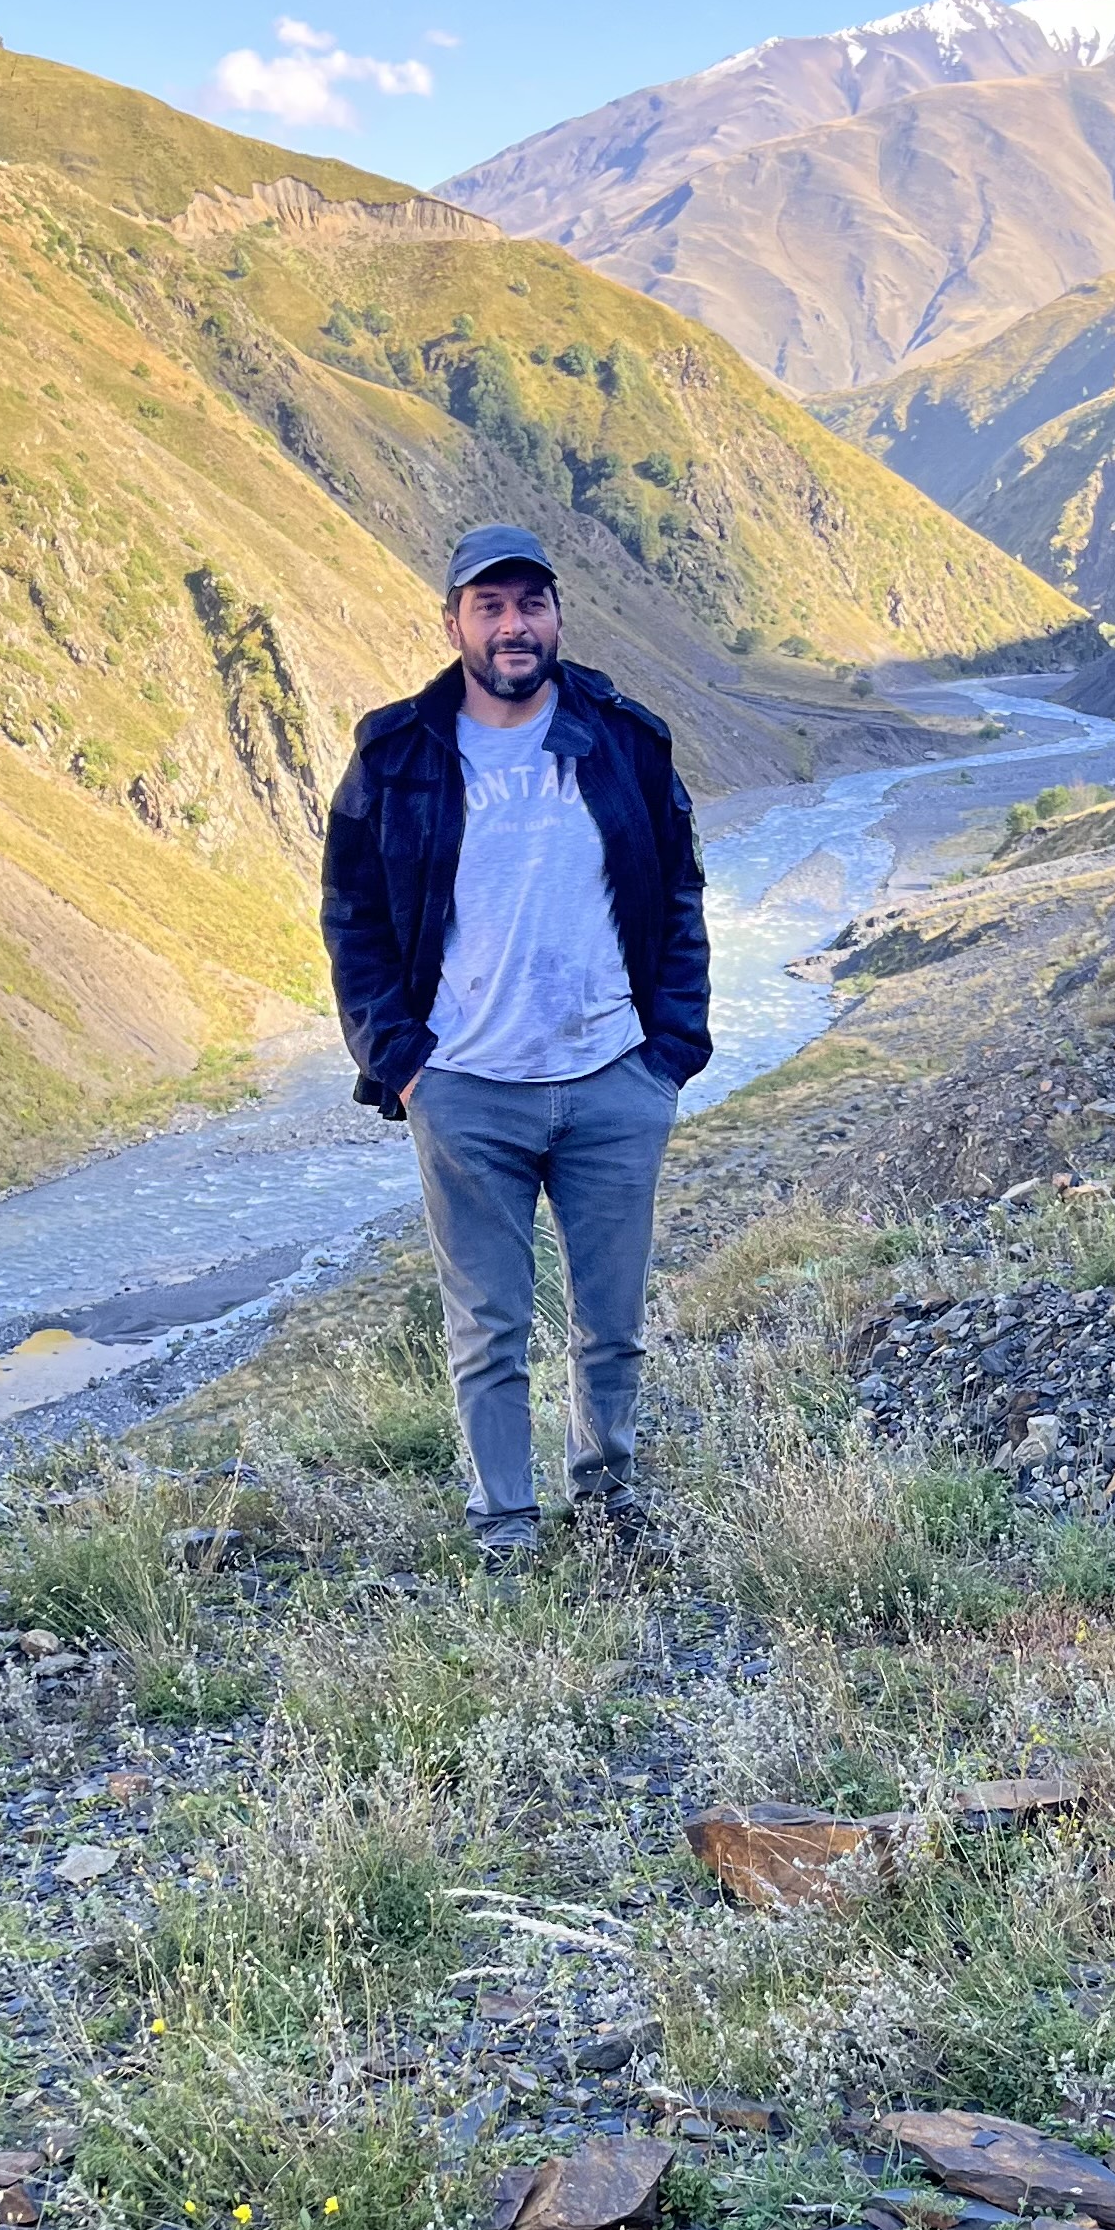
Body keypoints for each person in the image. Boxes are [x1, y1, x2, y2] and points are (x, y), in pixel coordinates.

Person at [321, 522, 711, 1561]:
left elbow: (678, 889)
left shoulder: (624, 738)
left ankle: (608, 1499)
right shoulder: (398, 755)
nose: (512, 625)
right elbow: (351, 915)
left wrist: (669, 1049)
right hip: (465, 1089)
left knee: (612, 1317)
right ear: (452, 622)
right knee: (488, 1331)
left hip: (615, 1077)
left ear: (556, 615)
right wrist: (399, 1063)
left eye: (529, 603)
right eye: (488, 607)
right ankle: (504, 1527)